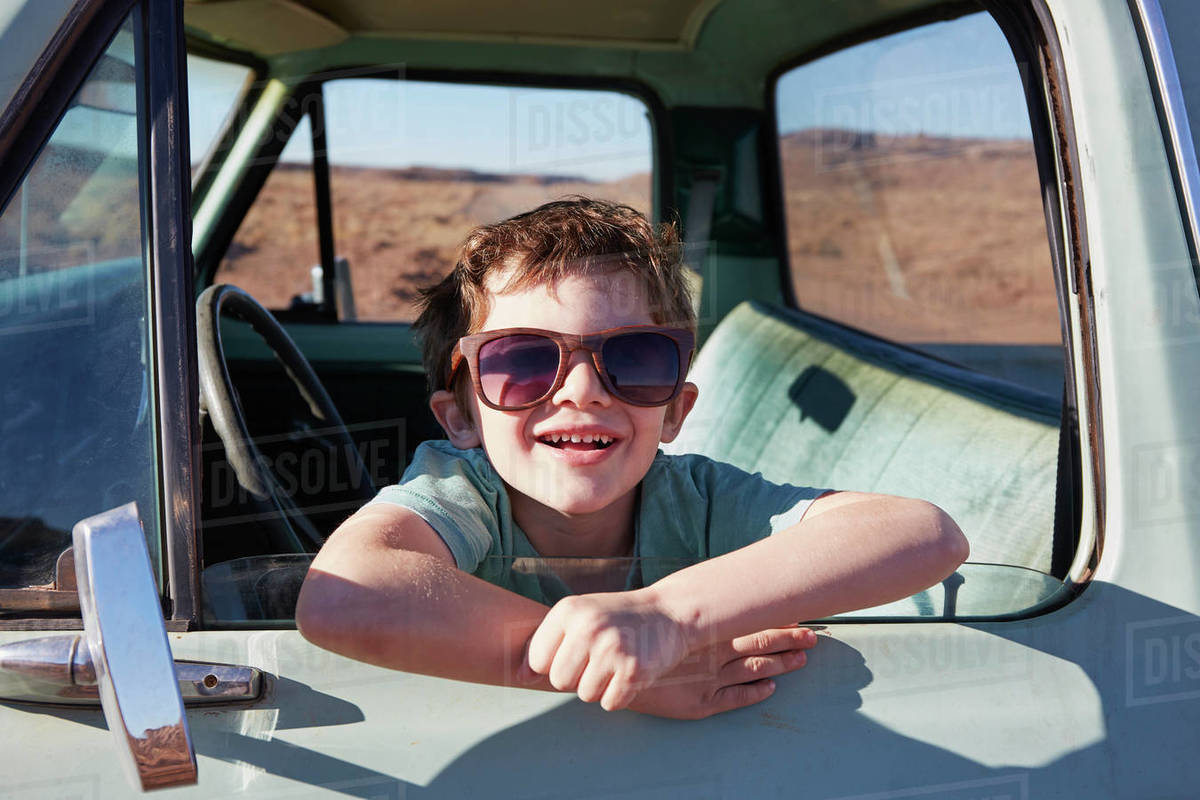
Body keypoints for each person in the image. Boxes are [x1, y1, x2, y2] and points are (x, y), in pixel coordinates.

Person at [296, 198, 969, 719]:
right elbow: (345, 596)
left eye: (635, 359)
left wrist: (668, 617)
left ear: (675, 409)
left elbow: (923, 533)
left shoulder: (697, 499)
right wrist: (619, 671)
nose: (583, 391)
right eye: (523, 361)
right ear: (462, 418)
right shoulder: (460, 492)